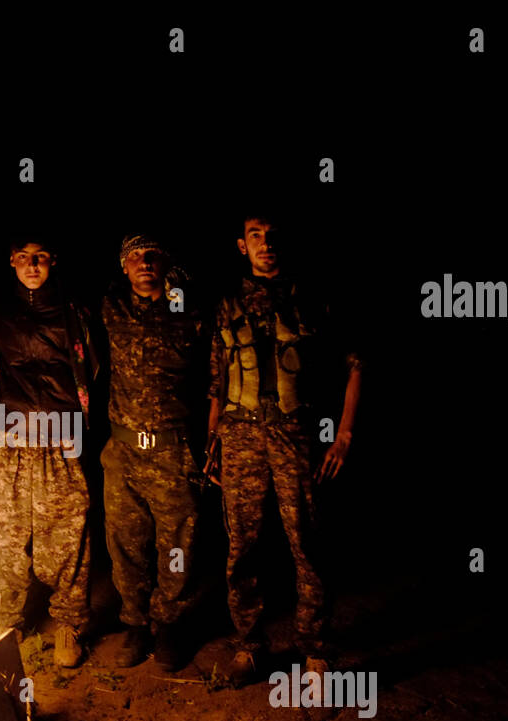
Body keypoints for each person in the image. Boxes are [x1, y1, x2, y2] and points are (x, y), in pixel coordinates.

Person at [207, 213, 363, 685]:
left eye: (273, 236)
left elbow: (355, 365)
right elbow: (216, 377)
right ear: (242, 245)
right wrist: (212, 437)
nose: (265, 244)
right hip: (239, 437)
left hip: (296, 435)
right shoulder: (227, 302)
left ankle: (316, 651)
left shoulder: (314, 299)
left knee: (306, 544)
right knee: (241, 548)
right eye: (255, 236)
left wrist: (344, 434)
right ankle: (250, 646)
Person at [0, 237, 98, 667]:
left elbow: (92, 370)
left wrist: (75, 420)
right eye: (24, 258)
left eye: (41, 258)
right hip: (11, 436)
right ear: (11, 261)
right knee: (6, 536)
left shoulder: (73, 312)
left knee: (66, 534)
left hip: (60, 436)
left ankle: (69, 623)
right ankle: (10, 621)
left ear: (52, 261)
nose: (32, 265)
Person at [99, 234, 206, 670]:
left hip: (172, 450)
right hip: (123, 451)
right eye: (135, 257)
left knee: (177, 545)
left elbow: (213, 371)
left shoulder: (189, 312)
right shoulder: (110, 310)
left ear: (166, 264)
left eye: (153, 256)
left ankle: (169, 628)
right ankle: (136, 625)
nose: (144, 263)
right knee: (125, 544)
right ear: (123, 267)